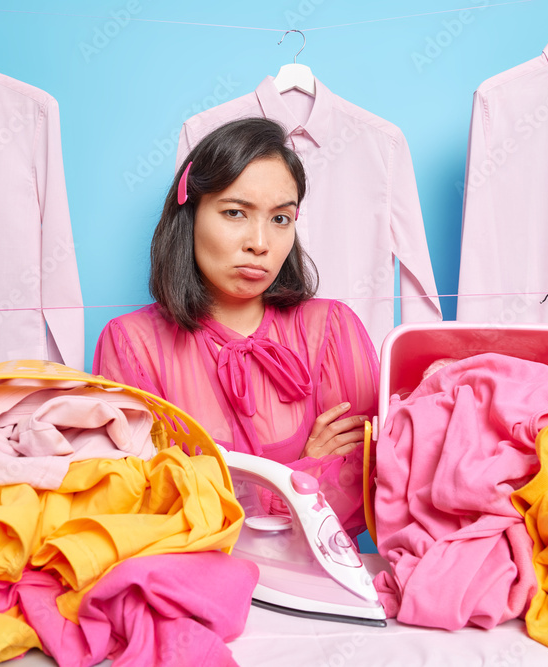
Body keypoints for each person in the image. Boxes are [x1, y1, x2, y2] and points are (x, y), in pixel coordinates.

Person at [93, 118, 378, 537]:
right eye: (234, 213)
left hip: (320, 589)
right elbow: (146, 503)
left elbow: (364, 483)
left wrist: (233, 491)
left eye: (280, 219)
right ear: (190, 214)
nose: (260, 243)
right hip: (189, 590)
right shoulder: (132, 343)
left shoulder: (332, 329)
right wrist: (302, 471)